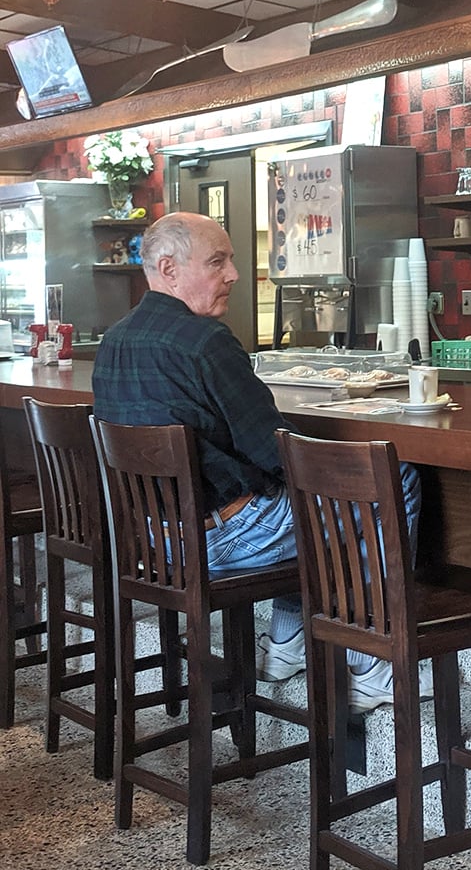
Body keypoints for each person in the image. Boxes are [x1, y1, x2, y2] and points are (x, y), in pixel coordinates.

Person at [93, 211, 426, 712]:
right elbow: (274, 450)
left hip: (155, 540)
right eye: (217, 261)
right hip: (221, 540)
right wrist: (342, 454)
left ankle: (287, 643)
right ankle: (373, 662)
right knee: (389, 481)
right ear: (167, 268)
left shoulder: (113, 341)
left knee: (300, 501)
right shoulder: (206, 342)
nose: (233, 274)